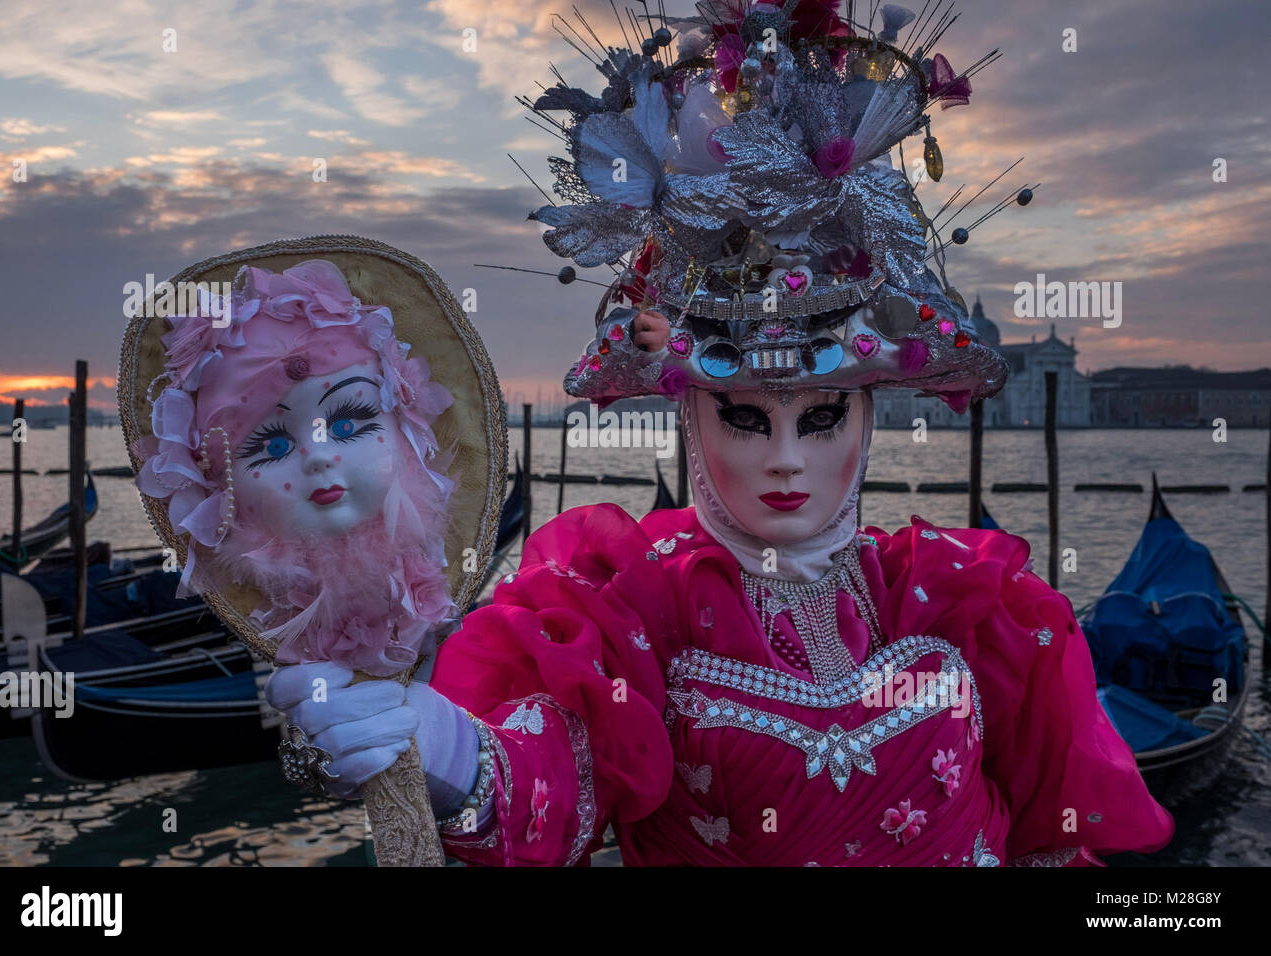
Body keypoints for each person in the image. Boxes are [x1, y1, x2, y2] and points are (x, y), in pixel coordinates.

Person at [265, 2, 1176, 865]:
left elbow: (1050, 830)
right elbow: (557, 778)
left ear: (867, 410)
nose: (786, 458)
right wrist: (455, 752)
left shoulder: (963, 602)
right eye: (745, 418)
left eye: (821, 418)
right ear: (694, 421)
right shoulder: (634, 610)